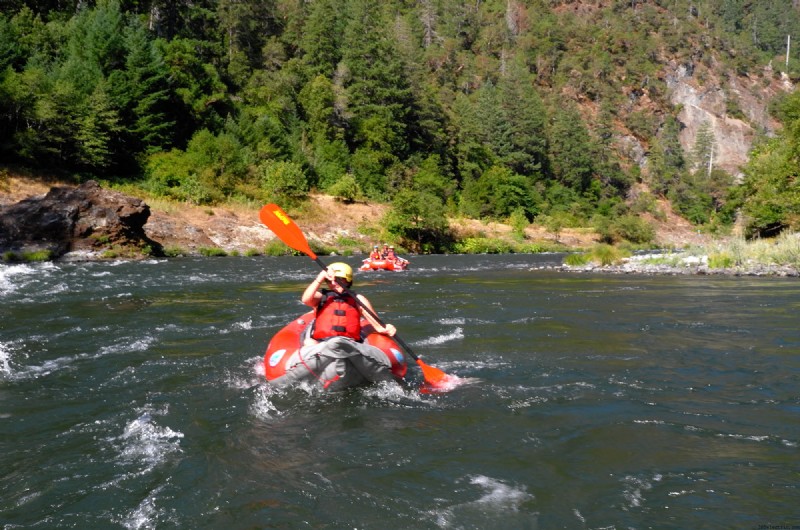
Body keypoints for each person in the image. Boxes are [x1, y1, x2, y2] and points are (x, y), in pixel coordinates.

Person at [296, 262, 399, 388]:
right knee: (308, 342)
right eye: (329, 281)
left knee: (341, 345)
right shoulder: (322, 297)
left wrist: (387, 328)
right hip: (323, 344)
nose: (333, 283)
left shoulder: (358, 299)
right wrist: (320, 277)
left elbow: (377, 325)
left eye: (338, 280)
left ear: (347, 280)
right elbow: (306, 299)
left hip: (350, 345)